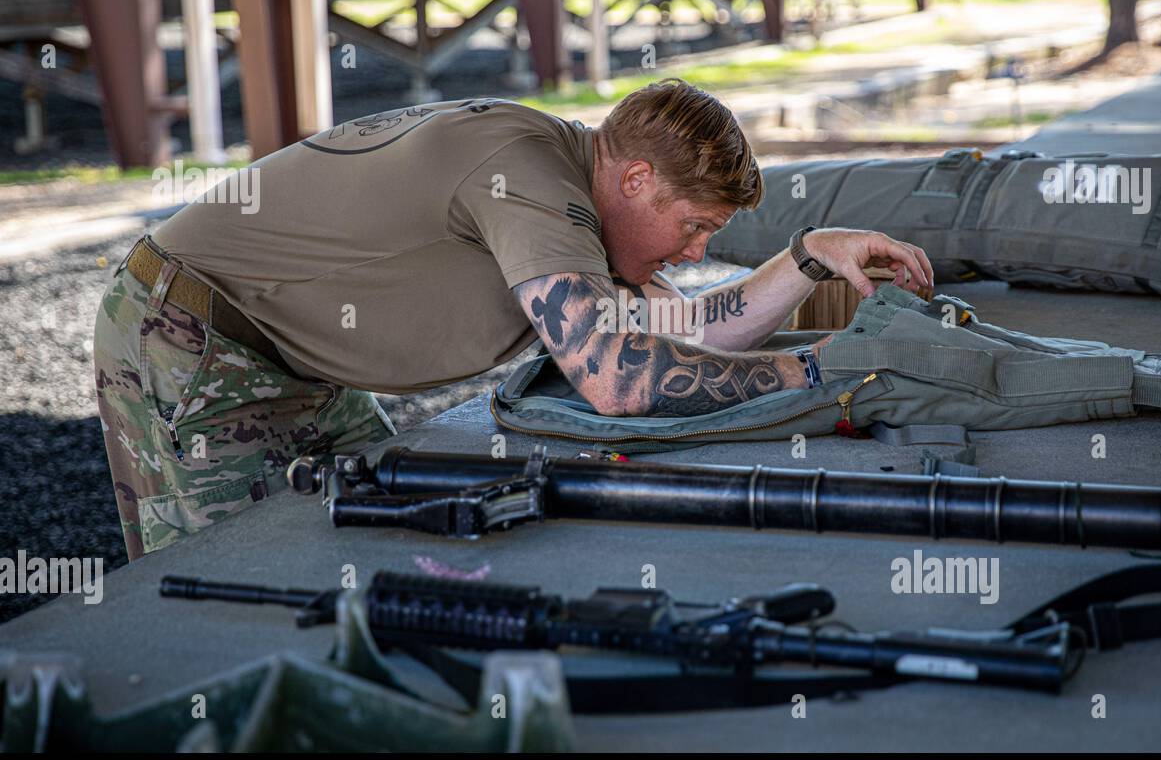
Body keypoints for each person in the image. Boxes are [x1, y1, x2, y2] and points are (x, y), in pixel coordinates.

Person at [93, 78, 933, 559]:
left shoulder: (575, 192)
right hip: (191, 338)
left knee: (353, 543)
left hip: (297, 359)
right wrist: (815, 373)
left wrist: (810, 258)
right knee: (218, 591)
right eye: (694, 227)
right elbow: (618, 377)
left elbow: (689, 333)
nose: (693, 251)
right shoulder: (527, 177)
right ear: (635, 180)